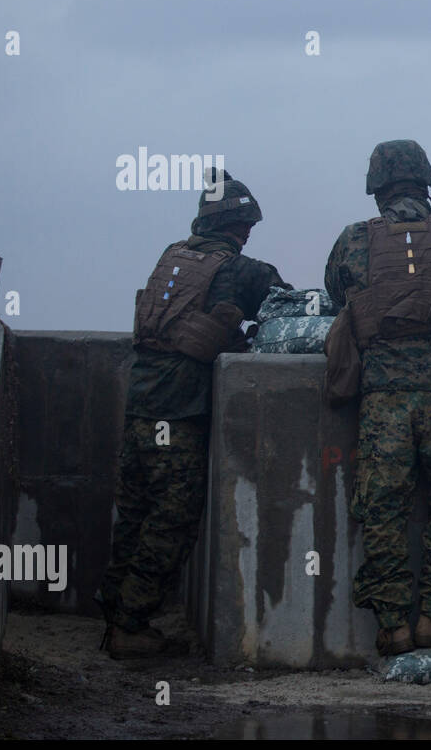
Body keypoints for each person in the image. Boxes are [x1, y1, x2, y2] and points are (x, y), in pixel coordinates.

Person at [97, 168, 291, 658]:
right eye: (246, 226)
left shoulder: (172, 257)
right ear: (235, 225)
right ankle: (131, 624)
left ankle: (116, 611)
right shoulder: (239, 269)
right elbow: (289, 304)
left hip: (141, 408)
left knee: (135, 516)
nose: (249, 235)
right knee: (171, 519)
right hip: (178, 414)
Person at [324, 140, 431, 656]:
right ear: (426, 181)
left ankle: (394, 624)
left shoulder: (354, 239)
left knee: (382, 508)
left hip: (383, 399)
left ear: (376, 188)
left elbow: (338, 293)